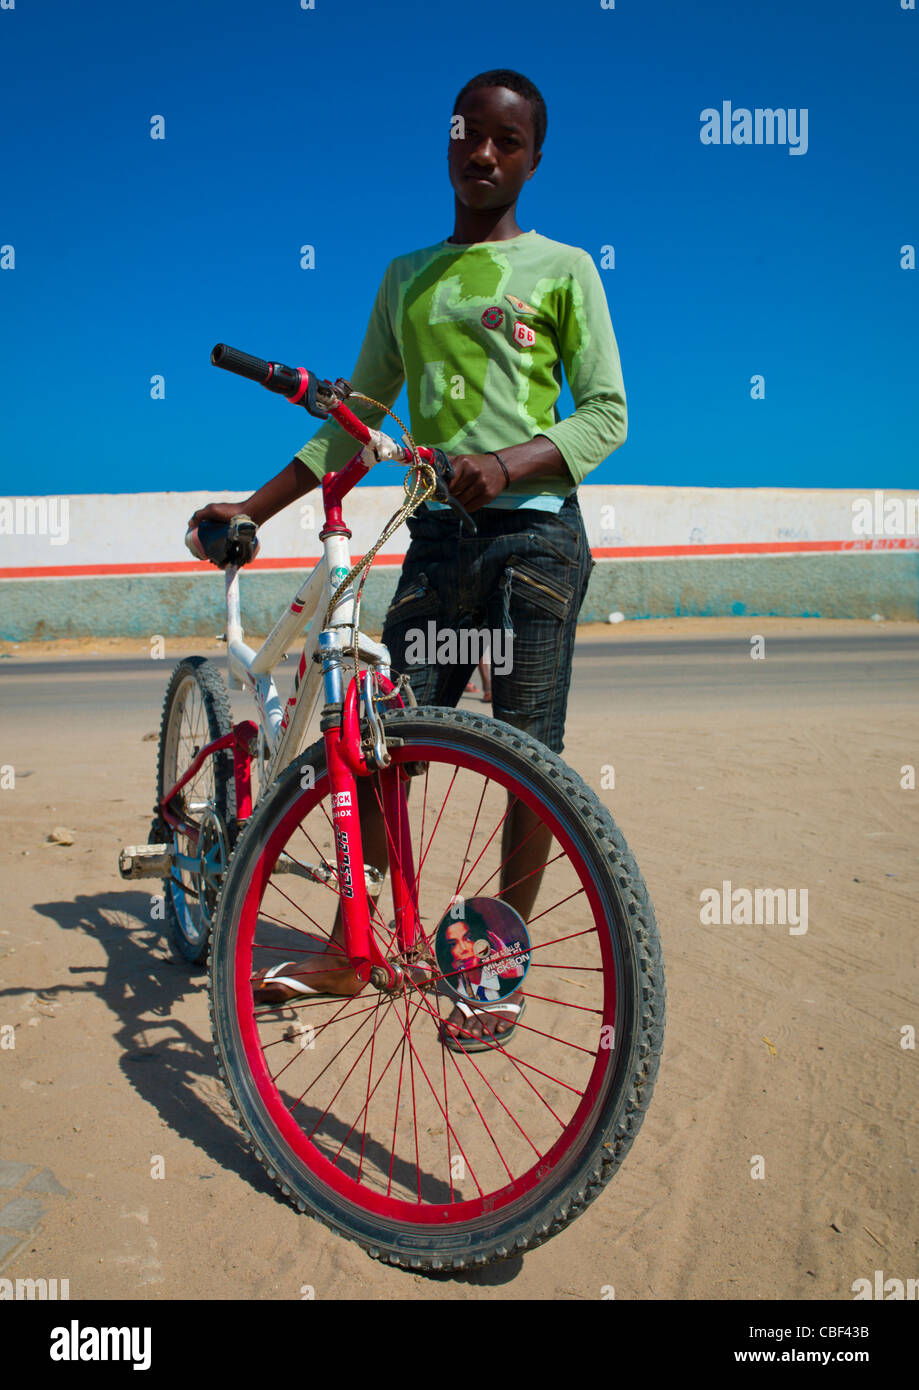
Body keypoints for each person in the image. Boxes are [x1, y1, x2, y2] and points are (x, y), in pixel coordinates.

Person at [193, 69, 627, 1048]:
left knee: (529, 765)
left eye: (507, 143)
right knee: (377, 747)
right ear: (447, 139)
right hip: (433, 539)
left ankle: (493, 958)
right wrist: (253, 507)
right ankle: (360, 941)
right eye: (469, 134)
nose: (483, 153)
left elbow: (607, 414)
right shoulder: (406, 277)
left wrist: (505, 463)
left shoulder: (564, 269)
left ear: (533, 159)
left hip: (535, 539)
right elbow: (358, 427)